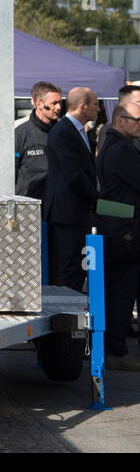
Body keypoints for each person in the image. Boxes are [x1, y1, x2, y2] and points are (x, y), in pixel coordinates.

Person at [43, 87, 101, 292]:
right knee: (68, 272)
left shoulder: (77, 131)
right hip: (67, 215)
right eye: (95, 104)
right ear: (83, 106)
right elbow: (73, 174)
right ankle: (66, 318)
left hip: (76, 214)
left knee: (76, 269)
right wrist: (97, 197)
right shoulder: (64, 132)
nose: (99, 109)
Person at [97, 98, 140, 369]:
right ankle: (116, 351)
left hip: (115, 228)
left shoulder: (109, 144)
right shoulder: (121, 149)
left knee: (115, 292)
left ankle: (114, 346)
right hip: (125, 234)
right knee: (121, 294)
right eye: (137, 120)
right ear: (121, 120)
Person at [15, 81, 62, 206]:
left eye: (60, 103)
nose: (58, 107)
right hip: (28, 206)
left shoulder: (62, 133)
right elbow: (10, 172)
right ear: (39, 104)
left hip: (56, 205)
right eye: (54, 103)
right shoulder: (20, 133)